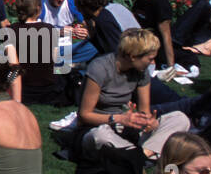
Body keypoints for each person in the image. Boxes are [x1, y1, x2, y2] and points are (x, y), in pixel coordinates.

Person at [78, 29, 191, 160]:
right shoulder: (100, 68)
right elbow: (84, 115)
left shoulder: (141, 72)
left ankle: (140, 155)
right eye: (150, 59)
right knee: (100, 136)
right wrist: (119, 119)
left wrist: (148, 122)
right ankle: (145, 154)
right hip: (98, 126)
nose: (152, 63)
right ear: (133, 56)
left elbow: (144, 111)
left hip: (126, 128)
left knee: (180, 118)